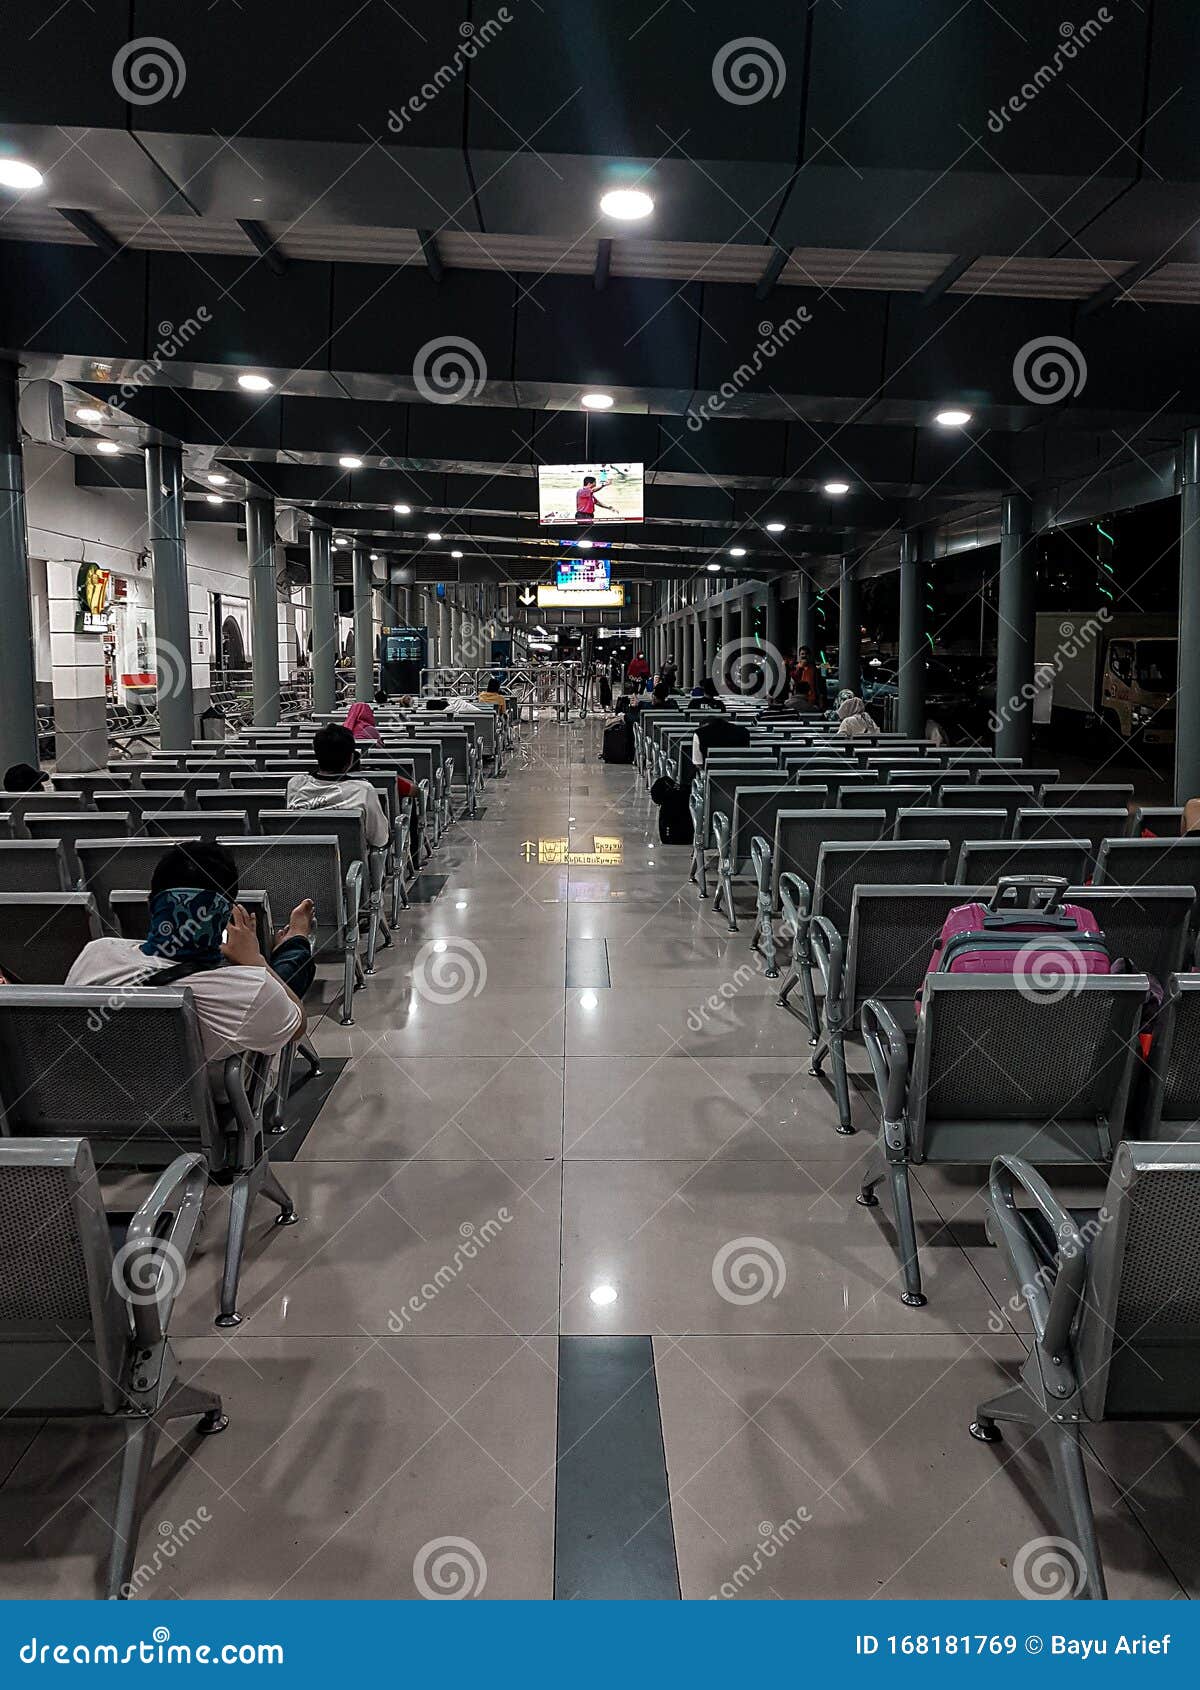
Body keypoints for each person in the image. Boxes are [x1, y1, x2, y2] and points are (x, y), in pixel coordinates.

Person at [66, 842, 313, 1068]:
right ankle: (296, 941)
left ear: (151, 906)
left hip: (93, 1104)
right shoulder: (249, 990)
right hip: (203, 1108)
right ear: (225, 917)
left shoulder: (96, 953)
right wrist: (256, 961)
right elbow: (298, 1023)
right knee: (286, 976)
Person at [287, 724, 391, 848]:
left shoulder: (295, 784)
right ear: (351, 759)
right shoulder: (363, 791)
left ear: (316, 754)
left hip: (300, 863)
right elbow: (380, 840)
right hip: (352, 866)